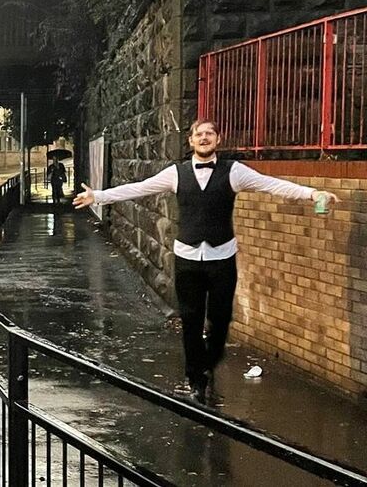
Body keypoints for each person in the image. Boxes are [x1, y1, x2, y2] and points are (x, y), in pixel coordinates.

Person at [72, 119, 339, 403]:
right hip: (187, 257)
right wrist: (98, 196)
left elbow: (270, 185)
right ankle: (195, 378)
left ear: (218, 140)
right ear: (190, 141)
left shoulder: (233, 172)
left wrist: (312, 193)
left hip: (222, 256)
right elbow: (140, 188)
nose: (204, 137)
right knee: (190, 319)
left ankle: (209, 362)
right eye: (198, 134)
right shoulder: (176, 173)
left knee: (221, 319)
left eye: (209, 133)